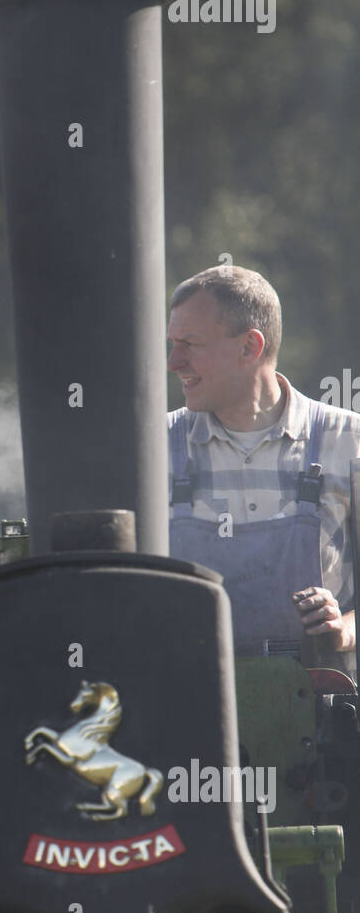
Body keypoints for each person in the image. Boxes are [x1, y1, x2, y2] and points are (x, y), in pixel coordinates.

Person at [167, 266, 360, 668]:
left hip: (324, 722)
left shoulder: (349, 440)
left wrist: (343, 628)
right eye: (172, 344)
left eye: (190, 344)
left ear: (250, 347)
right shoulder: (154, 447)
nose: (174, 362)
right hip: (189, 717)